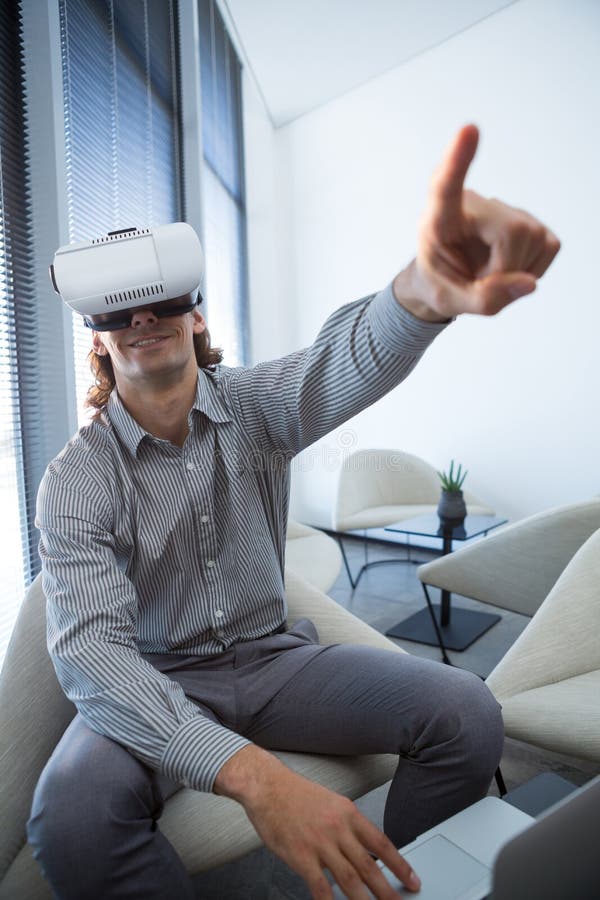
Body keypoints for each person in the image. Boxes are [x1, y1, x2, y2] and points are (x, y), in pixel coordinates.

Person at [27, 125, 560, 900]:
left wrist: (419, 292)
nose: (145, 318)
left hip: (276, 663)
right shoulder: (75, 481)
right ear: (100, 342)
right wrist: (255, 778)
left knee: (468, 710)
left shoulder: (253, 407)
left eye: (164, 298)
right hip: (159, 675)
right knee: (69, 817)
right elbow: (95, 660)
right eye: (120, 312)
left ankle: (384, 886)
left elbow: (338, 363)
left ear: (198, 317)